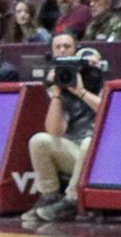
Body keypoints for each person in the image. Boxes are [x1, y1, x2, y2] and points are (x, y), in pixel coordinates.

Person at [21, 47, 103, 225]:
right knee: (39, 140)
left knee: (89, 142)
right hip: (76, 154)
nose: (90, 70)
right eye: (85, 66)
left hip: (102, 157)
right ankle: (49, 196)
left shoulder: (108, 88)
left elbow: (107, 110)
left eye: (93, 65)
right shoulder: (68, 92)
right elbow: (54, 131)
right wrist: (57, 95)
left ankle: (72, 200)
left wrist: (82, 92)